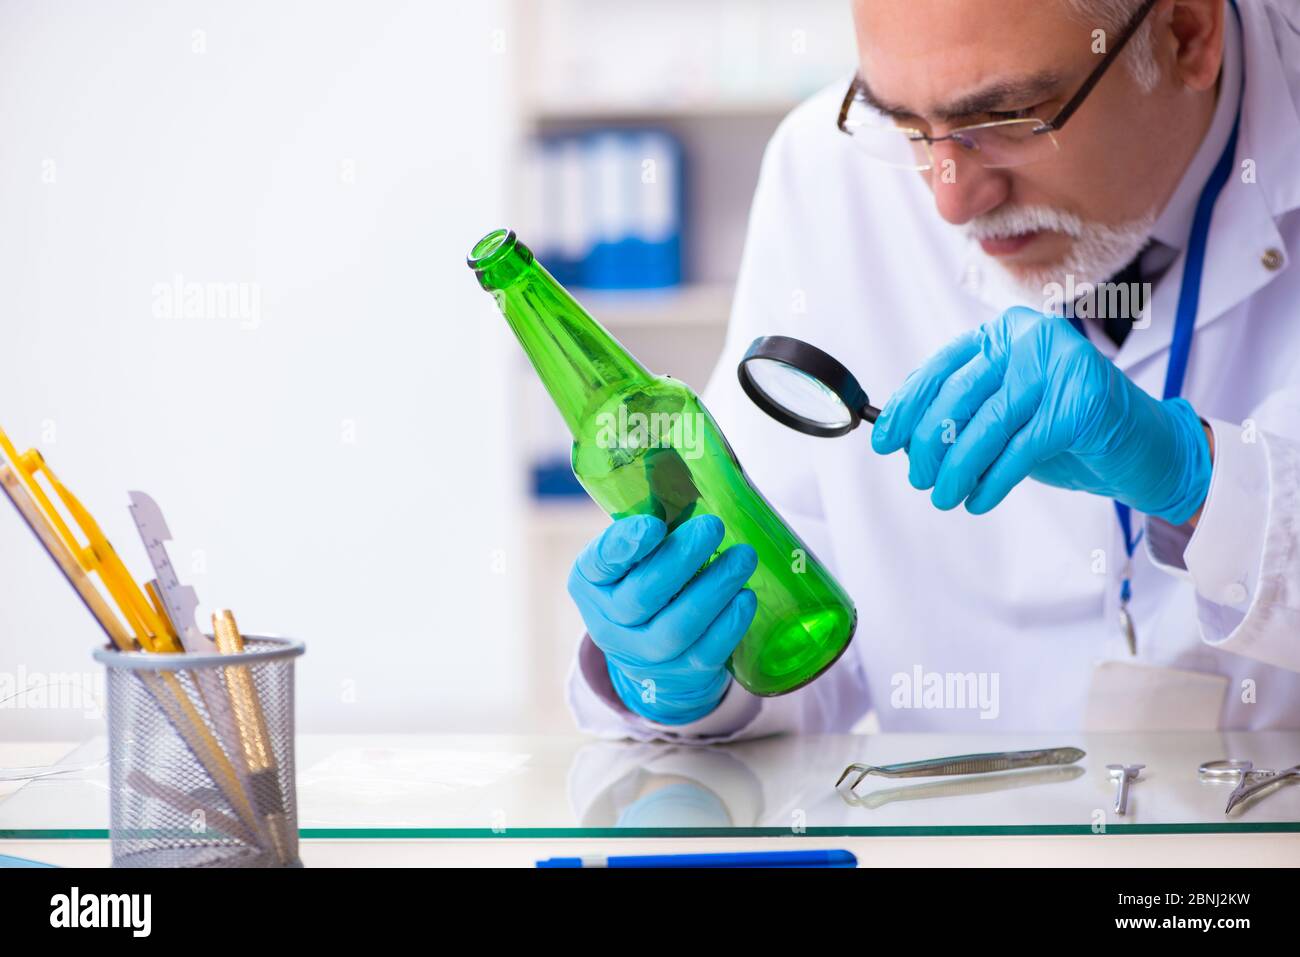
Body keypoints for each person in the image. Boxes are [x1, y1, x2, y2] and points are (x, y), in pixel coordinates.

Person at [566, 0, 1300, 741]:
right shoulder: (826, 174)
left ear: (1186, 34)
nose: (950, 200)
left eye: (1010, 117)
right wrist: (688, 667)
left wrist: (1204, 482)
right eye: (903, 123)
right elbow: (800, 649)